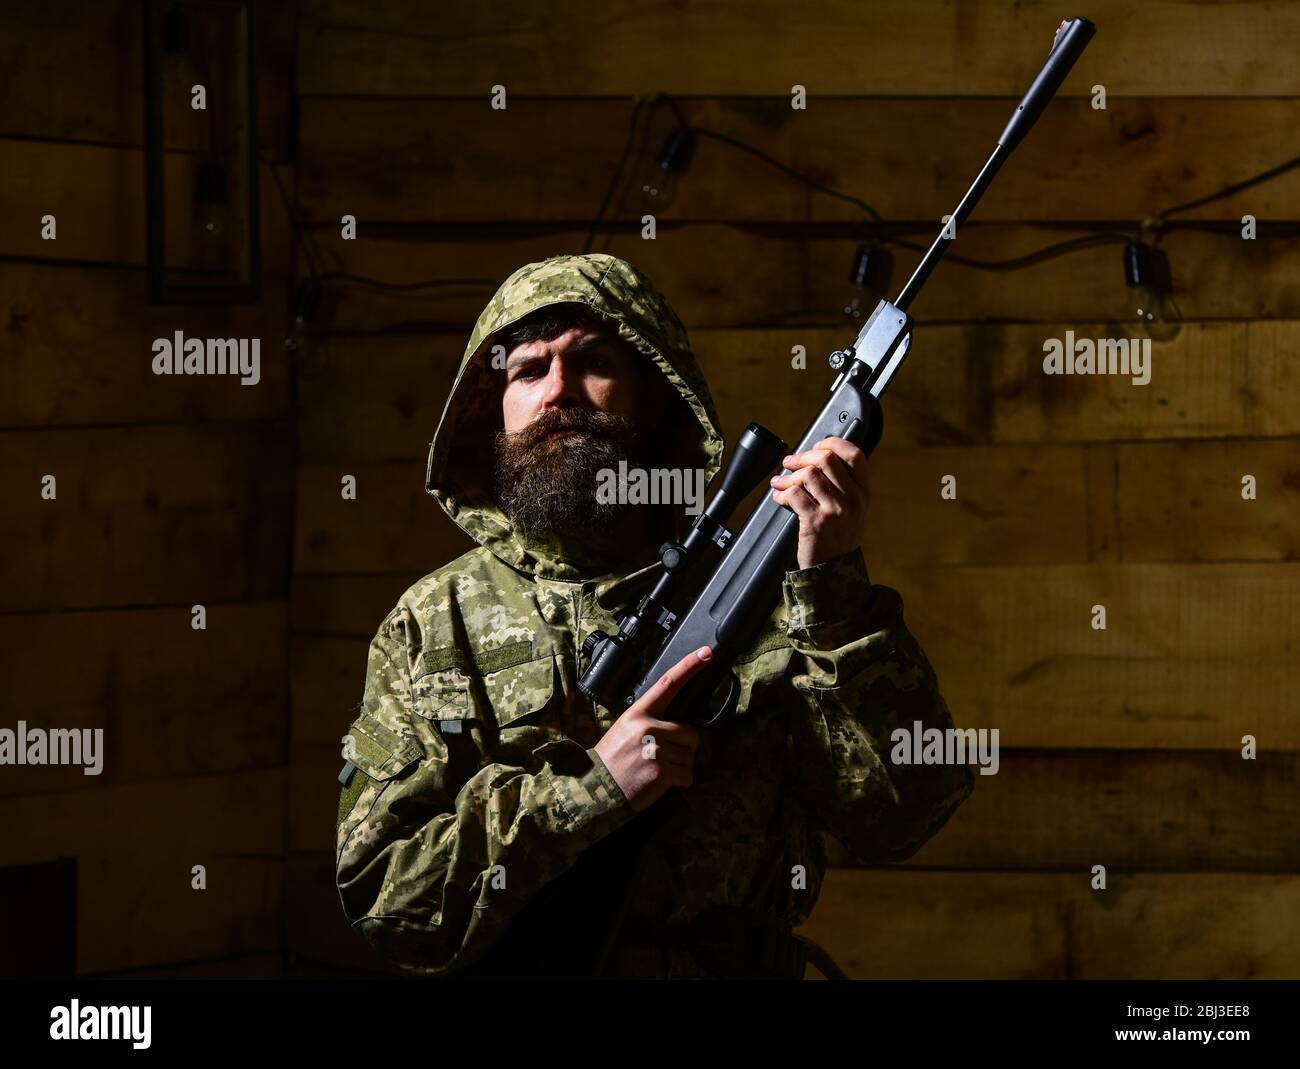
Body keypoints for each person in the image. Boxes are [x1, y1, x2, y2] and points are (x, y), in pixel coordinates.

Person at [334, 252, 974, 979]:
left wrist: (832, 589)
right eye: (527, 370)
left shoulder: (775, 594)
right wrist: (590, 791)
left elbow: (904, 815)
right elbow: (385, 896)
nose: (559, 392)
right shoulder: (430, 623)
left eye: (593, 362)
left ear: (654, 394)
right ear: (492, 409)